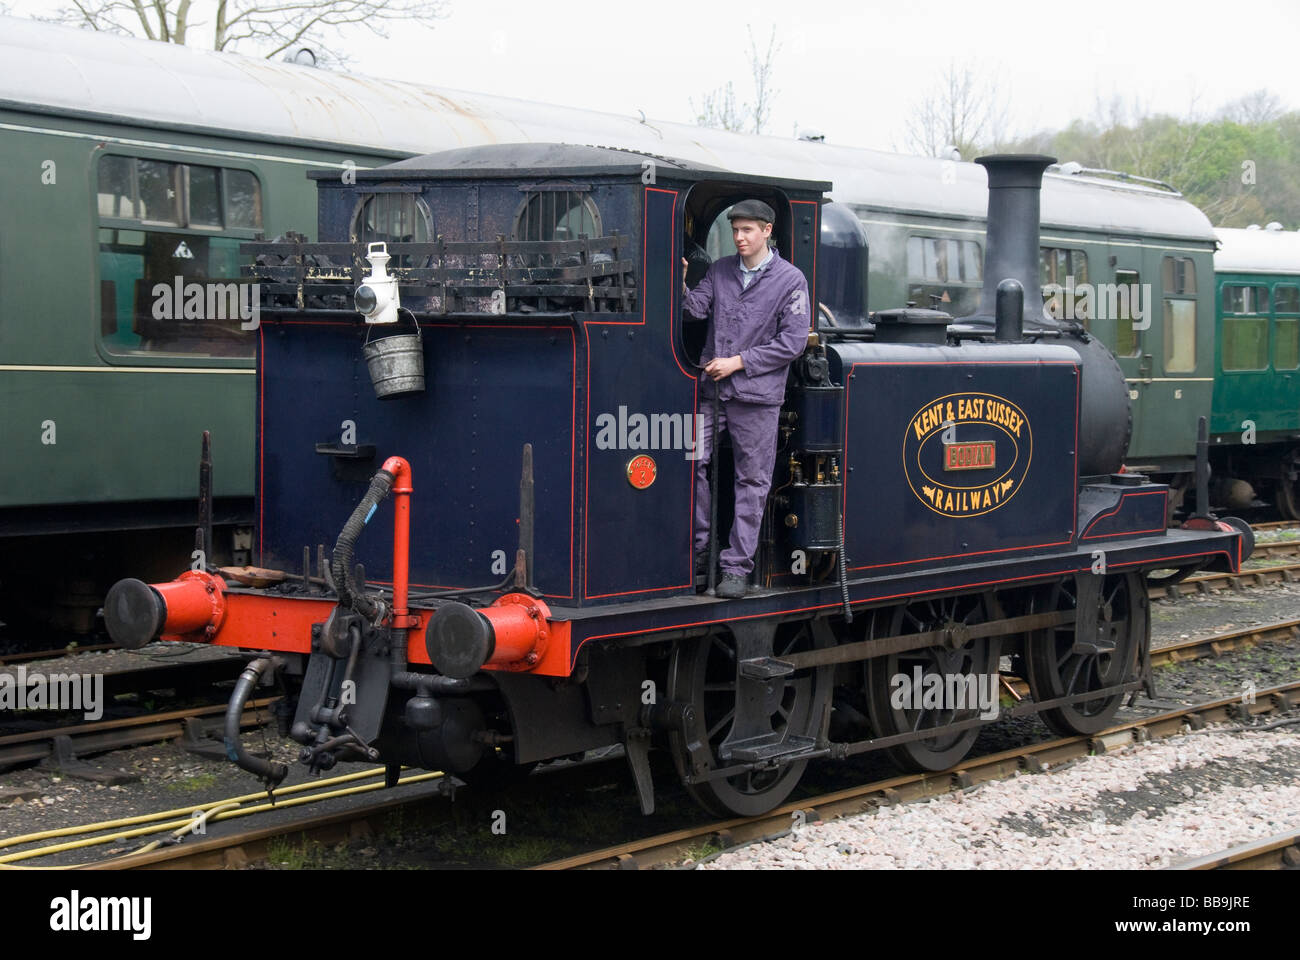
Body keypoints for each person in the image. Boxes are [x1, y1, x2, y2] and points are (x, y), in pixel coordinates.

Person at [681, 199, 811, 598]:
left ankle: (736, 568)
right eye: (735, 229)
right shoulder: (719, 270)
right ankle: (701, 552)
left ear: (767, 231)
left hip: (756, 397)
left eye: (748, 230)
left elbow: (791, 343)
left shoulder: (791, 281)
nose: (739, 237)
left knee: (751, 481)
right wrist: (679, 281)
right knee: (690, 463)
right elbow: (693, 311)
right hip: (712, 393)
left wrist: (738, 362)